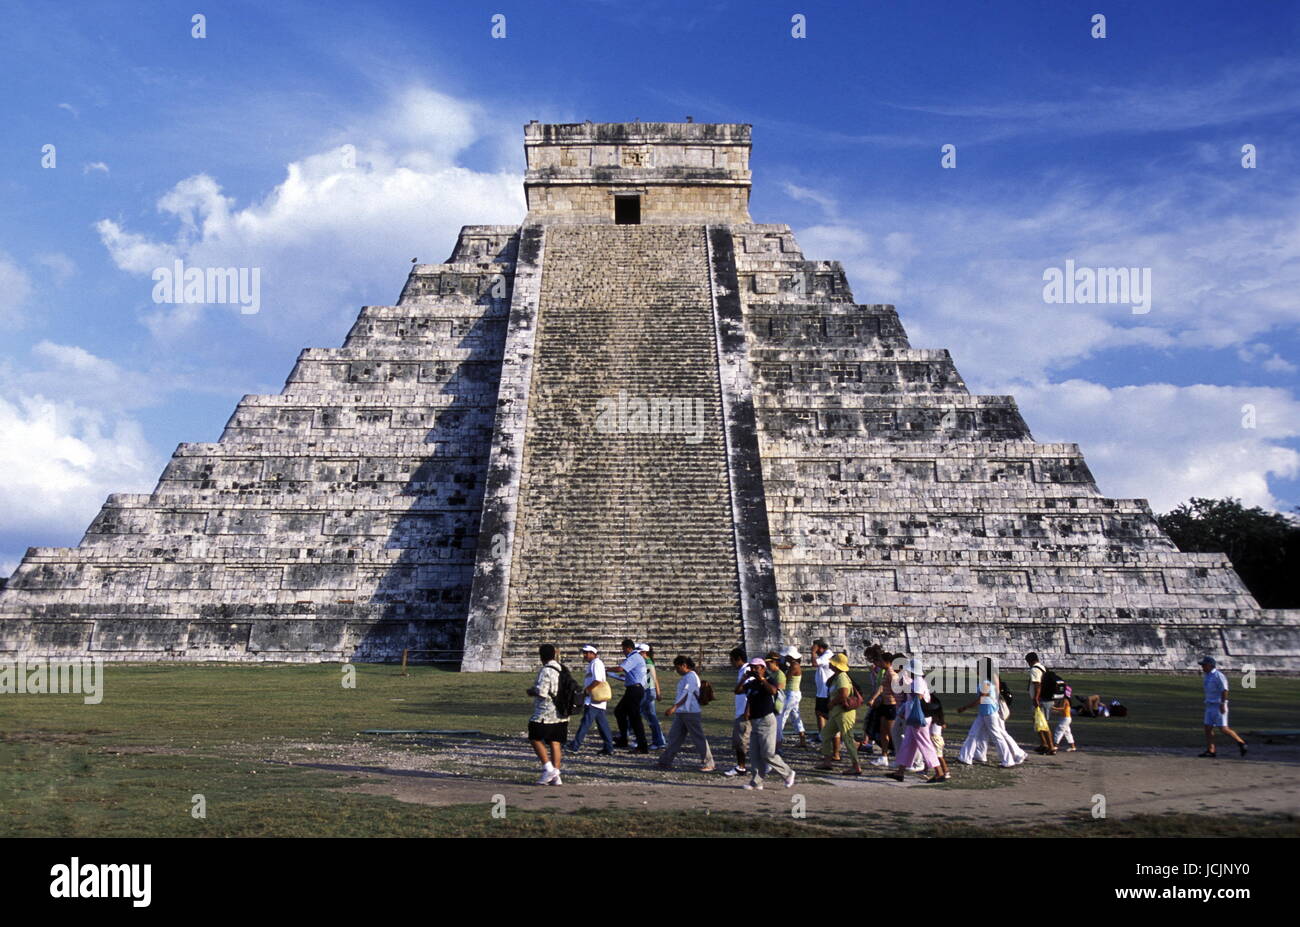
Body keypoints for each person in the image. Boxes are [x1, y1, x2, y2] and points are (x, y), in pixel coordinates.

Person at [736, 657, 797, 790]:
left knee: (767, 753)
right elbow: (738, 690)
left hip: (766, 720)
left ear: (763, 668)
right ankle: (756, 782)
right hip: (754, 721)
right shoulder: (751, 683)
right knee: (754, 754)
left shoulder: (769, 680)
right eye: (751, 667)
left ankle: (788, 773)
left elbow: (773, 691)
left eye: (756, 667)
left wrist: (762, 679)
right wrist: (744, 678)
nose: (753, 669)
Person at [956, 659, 1026, 767]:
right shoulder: (987, 680)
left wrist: (965, 707)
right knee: (973, 733)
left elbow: (982, 699)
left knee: (996, 736)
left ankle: (1008, 760)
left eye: (978, 667)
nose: (976, 669)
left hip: (988, 712)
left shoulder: (985, 682)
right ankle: (965, 757)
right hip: (985, 712)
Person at [888, 659, 944, 783]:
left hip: (918, 718)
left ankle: (939, 772)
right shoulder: (918, 681)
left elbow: (917, 698)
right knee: (908, 743)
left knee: (925, 744)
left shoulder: (918, 682)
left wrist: (905, 710)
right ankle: (900, 771)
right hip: (915, 717)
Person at [657, 655, 714, 771]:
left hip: (691, 712)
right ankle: (665, 761)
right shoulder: (687, 677)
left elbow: (687, 694)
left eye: (677, 668)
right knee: (674, 737)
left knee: (698, 737)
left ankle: (709, 763)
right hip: (682, 712)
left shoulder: (691, 677)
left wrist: (674, 707)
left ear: (684, 666)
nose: (676, 670)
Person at [526, 644, 570, 785]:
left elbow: (542, 692)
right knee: (555, 741)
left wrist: (532, 691)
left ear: (541, 656)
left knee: (534, 737)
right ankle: (556, 776)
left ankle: (548, 767)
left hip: (547, 711)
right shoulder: (562, 668)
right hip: (562, 712)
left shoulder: (546, 670)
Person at [814, 652, 862, 775]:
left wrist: (832, 703)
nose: (830, 664)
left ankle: (856, 766)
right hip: (837, 713)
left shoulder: (842, 677)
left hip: (844, 713)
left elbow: (844, 694)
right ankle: (827, 761)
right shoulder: (837, 677)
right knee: (825, 734)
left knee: (848, 739)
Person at [566, 644, 615, 755]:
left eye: (587, 653)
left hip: (594, 699)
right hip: (597, 700)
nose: (585, 655)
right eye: (584, 653)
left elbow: (597, 680)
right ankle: (609, 747)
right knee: (603, 725)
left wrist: (587, 690)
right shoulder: (594, 664)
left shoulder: (596, 663)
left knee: (585, 723)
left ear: (593, 654)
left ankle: (575, 746)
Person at [1198, 656, 1247, 758]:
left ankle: (1241, 742)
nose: (1202, 667)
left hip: (1218, 705)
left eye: (1204, 665)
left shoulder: (1218, 676)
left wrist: (1222, 704)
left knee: (1223, 728)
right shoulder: (1207, 676)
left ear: (1210, 665)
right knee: (1207, 727)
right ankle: (1211, 750)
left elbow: (1224, 690)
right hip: (1209, 705)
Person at [609, 638, 649, 753]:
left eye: (623, 649)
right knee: (620, 711)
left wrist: (607, 669)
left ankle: (642, 745)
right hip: (633, 689)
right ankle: (624, 739)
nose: (623, 651)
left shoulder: (634, 657)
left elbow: (620, 668)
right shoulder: (635, 657)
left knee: (634, 717)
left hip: (634, 690)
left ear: (628, 648)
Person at [866, 651, 900, 766]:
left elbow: (897, 692)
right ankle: (884, 756)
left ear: (887, 662)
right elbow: (881, 687)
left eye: (881, 661)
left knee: (892, 733)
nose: (879, 663)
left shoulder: (892, 675)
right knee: (883, 731)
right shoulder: (886, 673)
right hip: (885, 705)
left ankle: (900, 756)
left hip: (891, 706)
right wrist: (874, 699)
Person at [723, 647, 751, 777]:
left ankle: (741, 767)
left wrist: (747, 710)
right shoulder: (743, 671)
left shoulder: (747, 671)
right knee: (740, 740)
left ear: (738, 659)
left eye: (732, 660)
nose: (731, 663)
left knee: (741, 741)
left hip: (744, 711)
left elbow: (751, 692)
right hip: (741, 710)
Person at [1025, 652, 1057, 756]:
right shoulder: (1043, 668)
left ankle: (1050, 746)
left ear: (1029, 661)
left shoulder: (1034, 669)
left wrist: (1036, 698)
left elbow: (1037, 684)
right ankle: (1044, 744)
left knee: (1043, 724)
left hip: (1041, 700)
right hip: (1046, 699)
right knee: (1038, 722)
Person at [777, 646, 807, 748]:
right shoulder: (794, 665)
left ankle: (777, 739)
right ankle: (802, 739)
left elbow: (785, 679)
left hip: (791, 694)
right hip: (794, 693)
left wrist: (781, 669)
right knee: (795, 716)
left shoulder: (794, 666)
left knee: (782, 716)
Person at [639, 643, 667, 749]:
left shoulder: (648, 662)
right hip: (647, 690)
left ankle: (659, 741)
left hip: (648, 691)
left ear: (644, 652)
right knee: (650, 716)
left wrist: (658, 692)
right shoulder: (645, 662)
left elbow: (653, 679)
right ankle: (659, 740)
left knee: (649, 716)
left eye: (639, 651)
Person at [811, 639, 833, 745]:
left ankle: (832, 735)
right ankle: (822, 735)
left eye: (815, 647)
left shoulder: (827, 655)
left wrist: (813, 653)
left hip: (826, 691)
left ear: (820, 647)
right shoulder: (823, 656)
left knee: (827, 715)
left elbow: (814, 664)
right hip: (821, 691)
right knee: (819, 713)